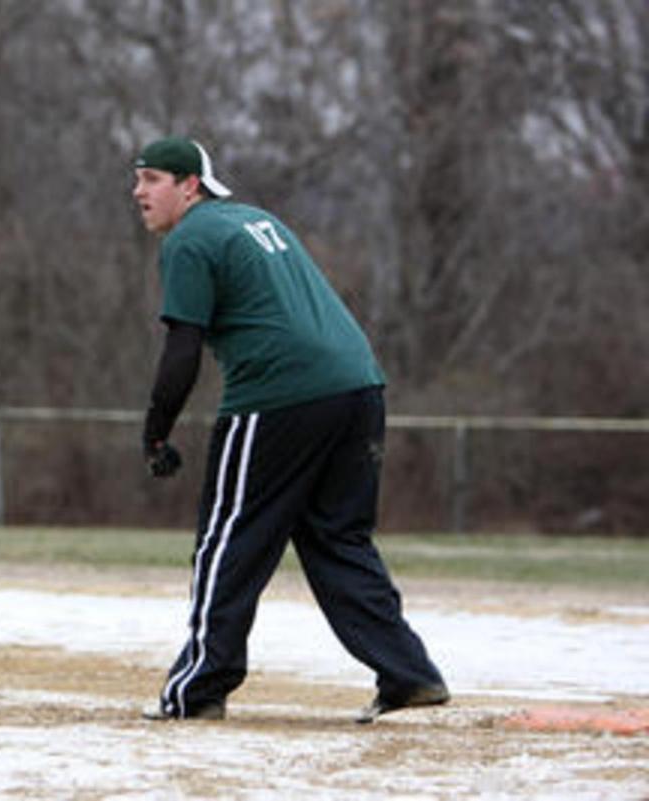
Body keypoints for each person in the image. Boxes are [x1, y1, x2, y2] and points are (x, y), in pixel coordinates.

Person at [132, 136, 448, 723]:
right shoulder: (254, 220)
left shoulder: (191, 239)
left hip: (279, 397)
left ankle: (198, 689)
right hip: (359, 387)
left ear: (190, 186)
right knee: (339, 539)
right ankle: (409, 675)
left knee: (229, 540)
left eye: (152, 179)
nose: (139, 192)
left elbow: (183, 347)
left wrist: (155, 430)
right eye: (139, 180)